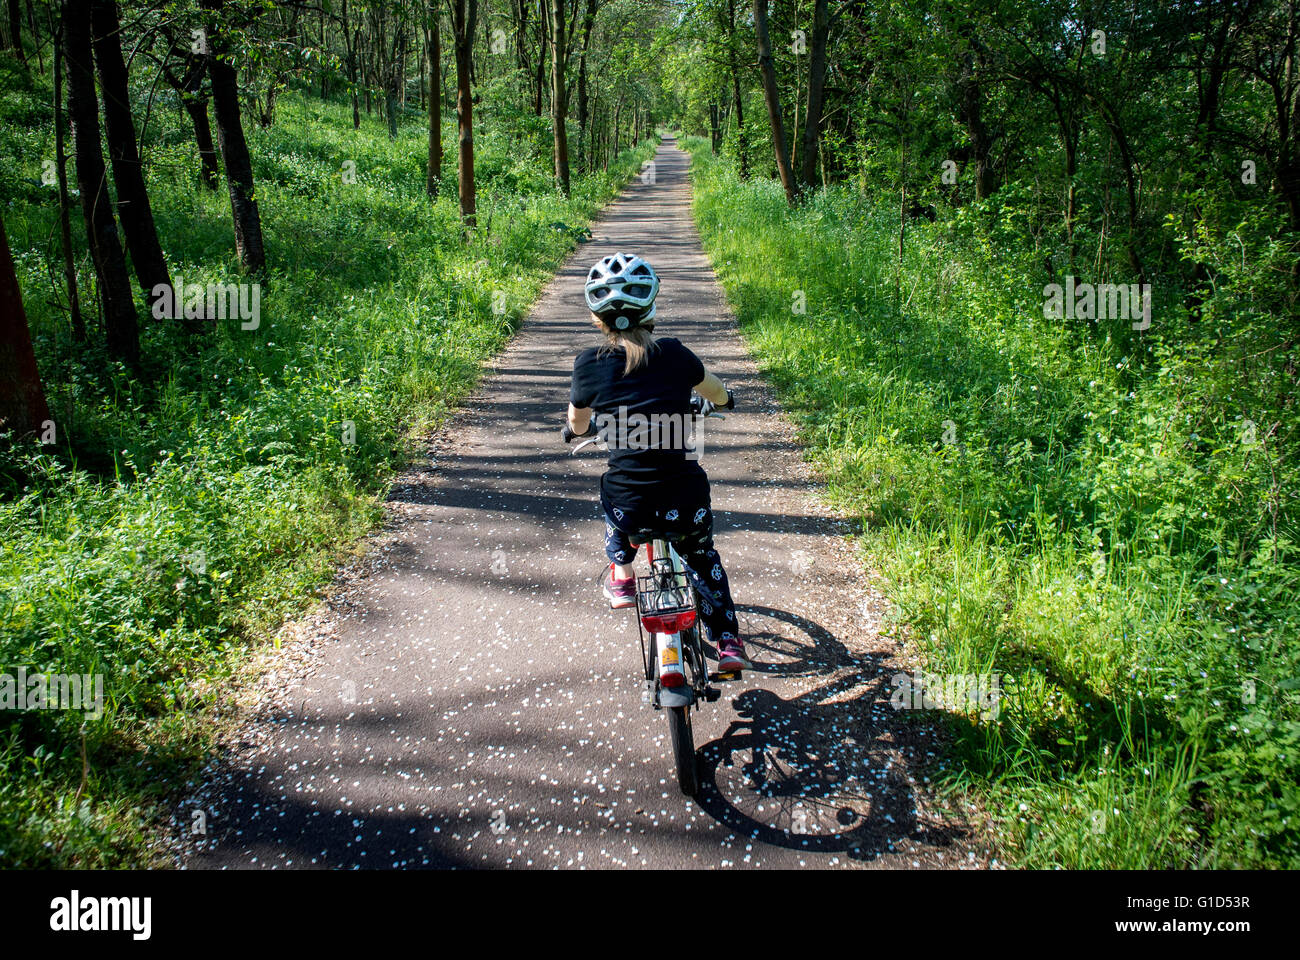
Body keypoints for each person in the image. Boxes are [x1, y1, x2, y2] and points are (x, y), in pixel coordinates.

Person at [562, 252, 750, 672]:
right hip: (685, 498)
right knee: (702, 557)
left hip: (631, 506)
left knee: (612, 500)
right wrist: (725, 400)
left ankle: (623, 576)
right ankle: (727, 641)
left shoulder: (587, 366)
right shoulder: (675, 354)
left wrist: (576, 432)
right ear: (650, 308)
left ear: (599, 319)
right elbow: (717, 392)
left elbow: (577, 423)